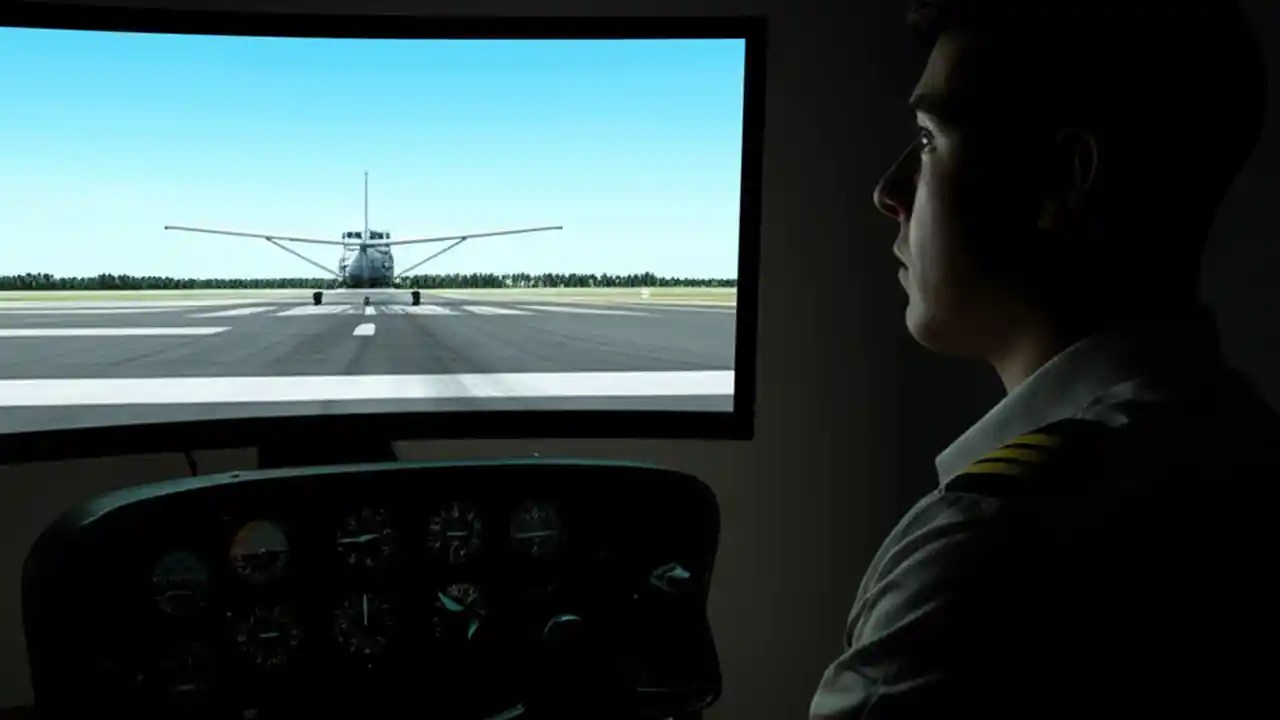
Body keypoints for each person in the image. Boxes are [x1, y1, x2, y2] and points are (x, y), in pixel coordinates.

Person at [810, 1, 1274, 717]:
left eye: (929, 140)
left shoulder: (979, 556)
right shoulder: (1241, 446)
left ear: (1063, 179)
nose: (888, 192)